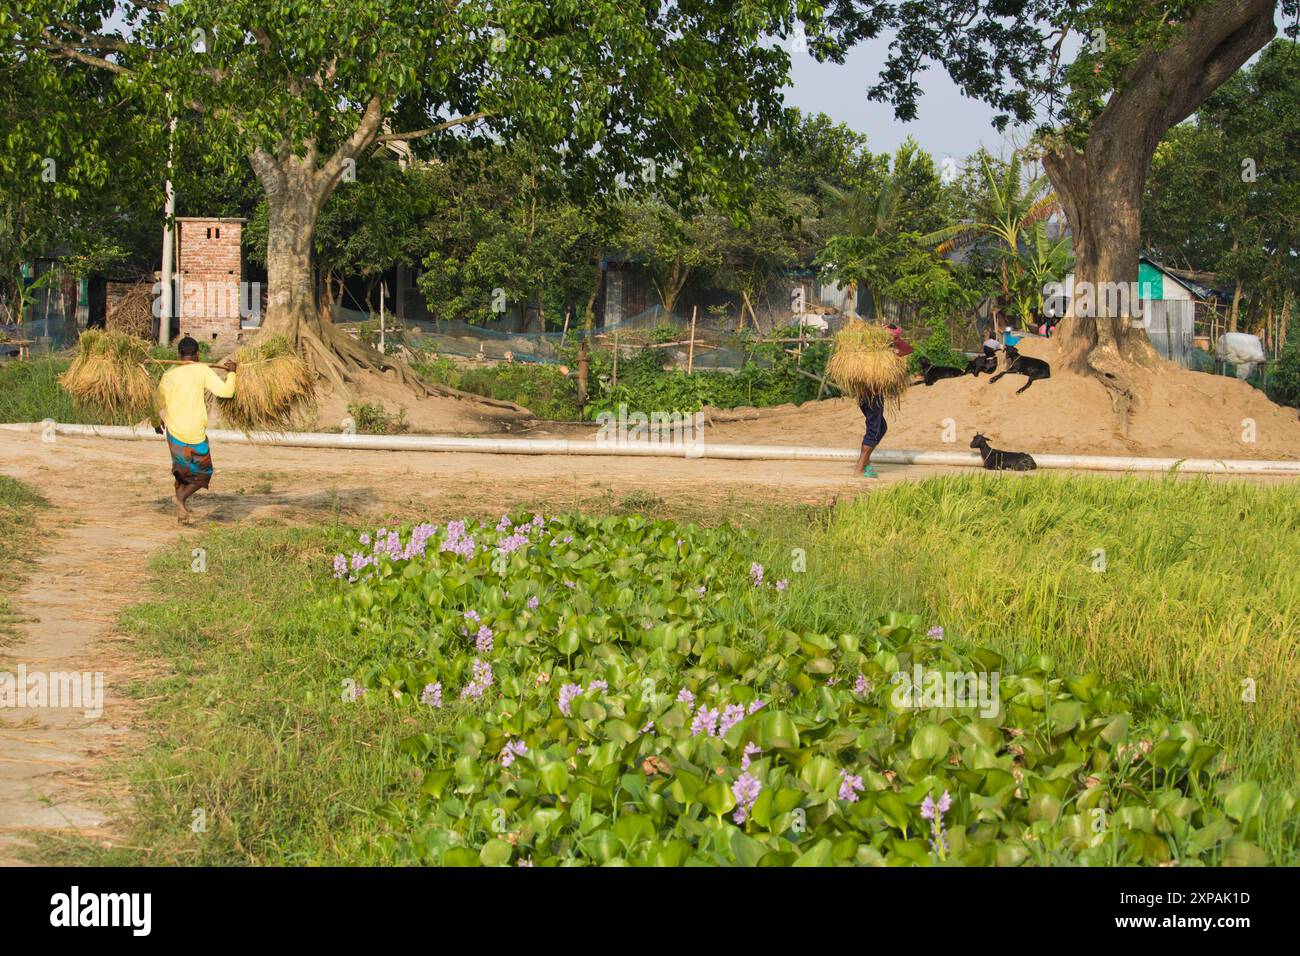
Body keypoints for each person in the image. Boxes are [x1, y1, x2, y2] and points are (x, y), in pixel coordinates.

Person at [154, 336, 237, 524]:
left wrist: (154, 422)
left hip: (174, 433)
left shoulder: (168, 375)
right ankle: (181, 499)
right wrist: (232, 373)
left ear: (179, 355)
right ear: (198, 354)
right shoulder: (202, 370)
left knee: (182, 473)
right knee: (203, 474)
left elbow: (156, 402)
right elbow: (226, 392)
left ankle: (181, 507)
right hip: (196, 434)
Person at [855, 324, 911, 479]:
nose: (895, 340)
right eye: (894, 337)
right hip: (872, 394)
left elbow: (906, 350)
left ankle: (865, 463)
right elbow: (905, 350)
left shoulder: (876, 352)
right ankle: (860, 466)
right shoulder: (877, 354)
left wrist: (894, 345)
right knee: (874, 429)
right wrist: (894, 346)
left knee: (882, 427)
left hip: (865, 395)